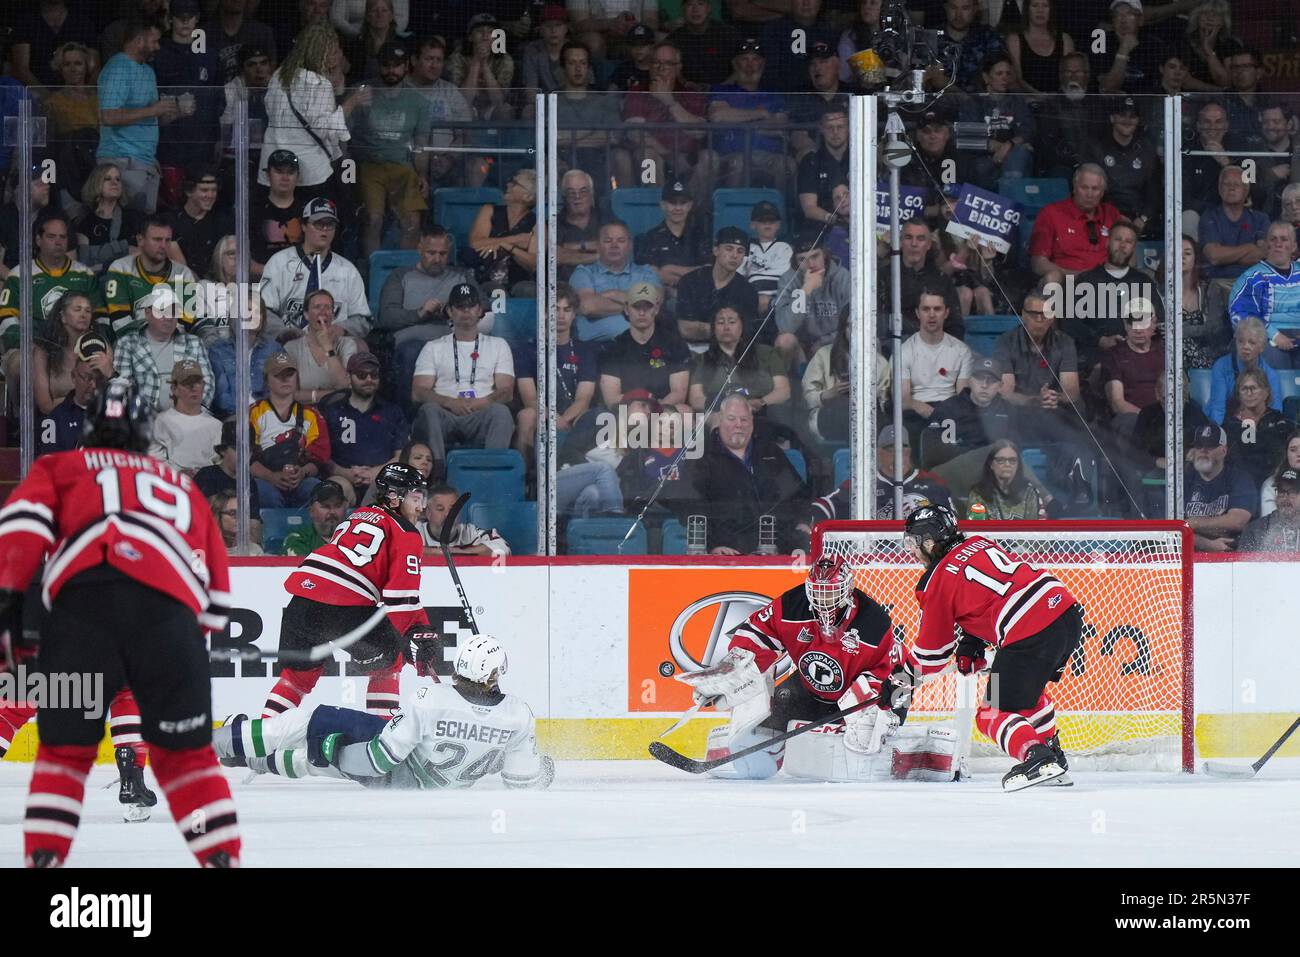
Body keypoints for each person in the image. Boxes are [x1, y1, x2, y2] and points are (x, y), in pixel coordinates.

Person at [0, 379, 239, 867]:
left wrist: (10, 608)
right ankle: (217, 856)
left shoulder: (61, 466)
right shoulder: (178, 483)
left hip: (81, 612)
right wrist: (195, 645)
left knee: (60, 751)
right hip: (167, 615)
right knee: (188, 760)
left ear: (91, 426)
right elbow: (214, 580)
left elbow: (18, 531)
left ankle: (43, 859)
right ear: (144, 431)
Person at [677, 555, 957, 783]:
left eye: (831, 592)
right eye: (819, 593)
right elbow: (755, 639)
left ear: (847, 589)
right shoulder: (791, 605)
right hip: (813, 694)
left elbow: (895, 674)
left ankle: (901, 754)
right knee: (783, 698)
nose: (824, 601)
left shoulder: (873, 621)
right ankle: (768, 751)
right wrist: (726, 676)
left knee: (865, 732)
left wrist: (881, 710)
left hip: (871, 693)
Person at [216, 635, 553, 790]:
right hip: (422, 789)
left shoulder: (431, 698)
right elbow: (521, 782)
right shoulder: (517, 715)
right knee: (311, 764)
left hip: (394, 771)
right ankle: (250, 759)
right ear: (496, 673)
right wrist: (543, 770)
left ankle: (221, 742)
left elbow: (380, 758)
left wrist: (339, 755)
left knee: (306, 722)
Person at [903, 502, 1082, 790]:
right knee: (1027, 697)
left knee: (990, 714)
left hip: (1029, 632)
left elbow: (932, 655)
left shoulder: (933, 582)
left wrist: (897, 684)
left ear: (930, 541)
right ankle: (1053, 757)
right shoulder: (978, 543)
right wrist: (972, 640)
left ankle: (1036, 756)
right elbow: (992, 591)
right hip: (1066, 613)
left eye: (912, 541)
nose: (910, 550)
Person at [259, 462, 431, 720]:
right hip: (343, 604)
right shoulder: (406, 533)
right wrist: (419, 633)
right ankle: (382, 734)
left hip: (302, 600)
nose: (421, 506)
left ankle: (262, 733)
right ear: (394, 498)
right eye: (416, 498)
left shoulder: (357, 515)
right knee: (388, 661)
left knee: (297, 676)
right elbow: (400, 601)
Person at [411, 283, 516, 476]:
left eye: (471, 305)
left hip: (481, 413)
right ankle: (437, 473)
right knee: (429, 410)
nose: (465, 311)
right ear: (450, 311)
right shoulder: (433, 347)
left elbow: (506, 391)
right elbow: (419, 391)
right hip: (446, 413)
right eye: (459, 306)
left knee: (501, 412)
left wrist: (481, 403)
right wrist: (449, 402)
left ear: (479, 310)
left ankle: (491, 475)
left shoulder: (498, 345)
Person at [689, 394, 809, 555]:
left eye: (744, 419)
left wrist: (802, 520)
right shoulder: (703, 457)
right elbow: (694, 508)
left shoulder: (769, 452)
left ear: (752, 423)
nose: (739, 424)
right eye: (732, 419)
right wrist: (713, 546)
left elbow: (795, 493)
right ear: (720, 420)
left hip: (776, 546)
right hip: (728, 549)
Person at [351, 40, 432, 258]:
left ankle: (404, 275)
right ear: (379, 66)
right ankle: (373, 272)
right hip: (370, 166)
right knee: (373, 219)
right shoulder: (362, 93)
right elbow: (343, 134)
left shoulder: (418, 101)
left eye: (396, 65)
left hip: (403, 167)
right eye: (386, 65)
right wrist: (345, 166)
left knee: (412, 222)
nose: (391, 70)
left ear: (406, 66)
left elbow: (421, 143)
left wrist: (422, 173)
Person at [96, 19, 178, 214]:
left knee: (142, 225)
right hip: (121, 160)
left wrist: (171, 112)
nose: (157, 47)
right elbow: (108, 116)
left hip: (146, 162)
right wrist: (153, 110)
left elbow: (150, 117)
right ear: (140, 40)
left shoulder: (148, 71)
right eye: (154, 41)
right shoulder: (117, 69)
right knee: (124, 223)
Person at [261, 198, 372, 338]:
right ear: (303, 226)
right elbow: (263, 312)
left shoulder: (348, 270)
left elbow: (363, 319)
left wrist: (340, 330)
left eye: (330, 224)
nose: (325, 229)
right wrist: (284, 333)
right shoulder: (279, 262)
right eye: (319, 224)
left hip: (335, 344)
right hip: (287, 345)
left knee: (360, 349)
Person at [320, 352, 410, 498]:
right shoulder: (332, 412)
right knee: (335, 490)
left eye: (374, 374)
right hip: (342, 478)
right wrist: (344, 473)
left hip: (383, 478)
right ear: (349, 378)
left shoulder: (392, 412)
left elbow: (402, 455)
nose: (369, 379)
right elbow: (323, 457)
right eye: (361, 375)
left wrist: (376, 472)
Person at [113, 285, 215, 413]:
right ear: (148, 314)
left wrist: (191, 413)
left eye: (173, 312)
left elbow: (207, 383)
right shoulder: (127, 344)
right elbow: (121, 385)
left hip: (188, 418)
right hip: (142, 420)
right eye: (162, 311)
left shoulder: (194, 343)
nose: (169, 317)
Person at [249, 351, 331, 508]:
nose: (285, 379)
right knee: (263, 492)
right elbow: (247, 457)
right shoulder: (254, 412)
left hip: (301, 479)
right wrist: (271, 476)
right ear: (266, 380)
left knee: (316, 489)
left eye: (289, 374)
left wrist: (302, 473)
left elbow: (319, 457)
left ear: (297, 379)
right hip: (265, 478)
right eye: (278, 375)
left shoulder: (312, 415)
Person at [378, 225, 478, 346]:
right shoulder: (400, 276)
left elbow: (484, 308)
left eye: (443, 253)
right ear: (419, 249)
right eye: (431, 253)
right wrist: (420, 313)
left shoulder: (462, 276)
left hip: (454, 341)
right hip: (413, 343)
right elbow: (387, 317)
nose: (437, 259)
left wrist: (453, 310)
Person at [598, 283, 691, 410]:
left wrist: (653, 411)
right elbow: (611, 399)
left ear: (656, 309)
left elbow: (679, 393)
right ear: (626, 309)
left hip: (664, 412)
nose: (642, 312)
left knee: (684, 410)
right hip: (628, 414)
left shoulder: (674, 343)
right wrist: (639, 411)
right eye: (636, 307)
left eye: (648, 306)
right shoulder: (614, 347)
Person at [102, 216, 197, 338]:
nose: (163, 245)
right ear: (140, 240)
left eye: (167, 240)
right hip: (132, 343)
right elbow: (119, 321)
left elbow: (186, 323)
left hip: (173, 344)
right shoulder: (120, 269)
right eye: (157, 240)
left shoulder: (184, 274)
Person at [689, 305, 789, 418]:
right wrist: (725, 406)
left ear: (743, 326)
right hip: (720, 418)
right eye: (721, 323)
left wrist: (761, 402)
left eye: (732, 322)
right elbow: (695, 398)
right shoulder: (705, 359)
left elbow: (783, 390)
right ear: (713, 329)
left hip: (760, 415)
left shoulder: (766, 353)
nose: (726, 327)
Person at [899, 289, 973, 442]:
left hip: (950, 413)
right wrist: (920, 406)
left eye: (937, 309)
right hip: (916, 414)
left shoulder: (961, 351)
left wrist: (942, 412)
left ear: (946, 313)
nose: (931, 314)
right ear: (917, 313)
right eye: (926, 309)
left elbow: (962, 396)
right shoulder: (903, 351)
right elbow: (903, 400)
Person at [1028, 164, 1122, 282]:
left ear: (1102, 193)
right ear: (1074, 188)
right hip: (1068, 282)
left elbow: (1129, 254)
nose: (1089, 194)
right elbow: (1038, 263)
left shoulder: (1111, 213)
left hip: (1109, 284)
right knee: (1052, 278)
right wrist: (1078, 277)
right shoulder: (1051, 213)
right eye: (1084, 187)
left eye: (1095, 189)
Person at [1081, 97, 1161, 234]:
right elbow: (1091, 190)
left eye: (1132, 116)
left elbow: (1154, 191)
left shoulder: (1147, 150)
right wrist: (1114, 217)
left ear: (1138, 121)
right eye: (1122, 115)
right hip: (1103, 215)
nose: (1127, 120)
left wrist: (1143, 218)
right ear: (1112, 118)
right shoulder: (1096, 147)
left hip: (1139, 218)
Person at [571, 220, 660, 342]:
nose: (614, 245)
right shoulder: (583, 273)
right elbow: (588, 307)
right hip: (597, 348)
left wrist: (614, 294)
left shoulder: (647, 272)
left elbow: (656, 303)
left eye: (621, 241)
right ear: (598, 245)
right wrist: (638, 304)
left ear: (630, 245)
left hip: (641, 347)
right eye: (608, 241)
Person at [773, 229, 852, 365]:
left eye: (815, 256)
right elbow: (785, 327)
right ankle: (787, 384)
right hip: (801, 350)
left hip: (834, 344)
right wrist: (805, 290)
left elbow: (854, 323)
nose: (810, 264)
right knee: (784, 341)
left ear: (825, 255)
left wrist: (823, 343)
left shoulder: (842, 277)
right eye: (802, 259)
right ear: (795, 261)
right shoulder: (788, 280)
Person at [1228, 221, 1300, 369]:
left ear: (1294, 246)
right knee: (1271, 361)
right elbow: (1240, 314)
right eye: (1273, 239)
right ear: (1267, 245)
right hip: (1267, 338)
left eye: (1284, 239)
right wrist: (1274, 335)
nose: (1278, 244)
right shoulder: (1251, 277)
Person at [674, 227, 761, 346]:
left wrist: (702, 328)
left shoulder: (747, 290)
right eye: (729, 249)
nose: (734, 255)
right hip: (691, 349)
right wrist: (726, 330)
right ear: (716, 250)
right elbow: (685, 328)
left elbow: (744, 334)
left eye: (740, 251)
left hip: (728, 351)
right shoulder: (690, 281)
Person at [1185, 424, 1256, 552]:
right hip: (1188, 555)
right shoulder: (1184, 480)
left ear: (1223, 451)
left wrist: (1193, 523)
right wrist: (1206, 544)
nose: (1203, 450)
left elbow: (1237, 521)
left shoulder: (1239, 478)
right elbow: (1172, 530)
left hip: (1231, 556)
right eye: (1199, 445)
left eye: (1210, 446)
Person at [467, 170, 538, 298]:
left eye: (515, 183)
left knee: (530, 290)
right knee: (495, 291)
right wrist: (515, 240)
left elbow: (532, 263)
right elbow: (475, 243)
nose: (508, 185)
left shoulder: (536, 223)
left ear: (528, 197)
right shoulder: (489, 210)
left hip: (519, 281)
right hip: (486, 278)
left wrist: (507, 246)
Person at [633, 179, 712, 294]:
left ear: (690, 206)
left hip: (696, 297)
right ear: (663, 205)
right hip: (662, 299)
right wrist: (692, 273)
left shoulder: (700, 236)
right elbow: (652, 276)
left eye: (683, 203)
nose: (678, 208)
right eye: (672, 203)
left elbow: (708, 273)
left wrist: (669, 269)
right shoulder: (650, 238)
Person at [1101, 301, 1164, 442]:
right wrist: (1148, 419)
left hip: (1164, 419)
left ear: (1154, 323)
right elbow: (1117, 403)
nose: (1138, 329)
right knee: (1128, 424)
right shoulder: (1114, 355)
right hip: (1132, 420)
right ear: (1124, 324)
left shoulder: (1165, 353)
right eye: (1132, 322)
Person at [147, 359, 224, 473]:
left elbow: (221, 464)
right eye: (186, 382)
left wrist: (202, 475)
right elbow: (154, 460)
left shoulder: (216, 425)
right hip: (173, 484)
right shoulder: (162, 421)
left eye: (197, 381)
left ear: (203, 385)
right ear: (174, 389)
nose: (193, 387)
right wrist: (178, 473)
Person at [284, 288, 360, 403]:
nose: (323, 312)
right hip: (304, 414)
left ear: (333, 315)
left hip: (338, 412)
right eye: (317, 307)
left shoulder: (347, 344)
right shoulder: (291, 348)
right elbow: (290, 394)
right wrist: (331, 394)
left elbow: (344, 385)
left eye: (328, 307)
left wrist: (328, 347)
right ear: (306, 314)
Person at [1205, 317, 1283, 425]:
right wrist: (1219, 436)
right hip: (1223, 422)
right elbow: (1217, 409)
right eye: (1241, 341)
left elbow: (1275, 412)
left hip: (1257, 426)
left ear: (1262, 347)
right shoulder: (1221, 366)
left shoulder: (1271, 376)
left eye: (1252, 342)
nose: (1245, 346)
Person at [1222, 369, 1293, 487]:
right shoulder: (1230, 425)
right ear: (1238, 394)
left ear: (1266, 392)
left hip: (1275, 482)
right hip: (1241, 485)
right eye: (1244, 389)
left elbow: (1283, 458)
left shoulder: (1279, 421)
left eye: (1253, 388)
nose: (1249, 393)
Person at [1199, 165, 1269, 285]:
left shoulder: (1260, 219)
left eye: (1236, 185)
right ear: (1220, 189)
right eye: (1227, 184)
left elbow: (1262, 255)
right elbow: (1214, 256)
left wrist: (1226, 257)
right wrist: (1249, 248)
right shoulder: (1210, 217)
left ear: (1246, 190)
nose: (1231, 188)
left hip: (1253, 281)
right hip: (1218, 282)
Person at [75, 164, 144, 277]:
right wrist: (125, 248)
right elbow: (85, 263)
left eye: (118, 179)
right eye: (107, 179)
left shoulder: (134, 218)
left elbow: (141, 255)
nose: (114, 182)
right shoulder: (85, 221)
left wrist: (99, 256)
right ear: (96, 183)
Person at [797, 102, 851, 229]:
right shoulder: (810, 161)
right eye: (829, 127)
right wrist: (836, 221)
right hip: (821, 227)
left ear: (849, 128)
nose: (835, 132)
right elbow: (809, 208)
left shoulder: (861, 159)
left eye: (840, 127)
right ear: (821, 129)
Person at [420, 483, 510, 557]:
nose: (448, 514)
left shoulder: (470, 532)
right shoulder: (416, 532)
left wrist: (443, 553)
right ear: (428, 513)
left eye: (453, 509)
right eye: (440, 509)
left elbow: (503, 549)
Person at [965, 440, 1047, 520]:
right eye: (1001, 460)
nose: (1007, 464)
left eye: (1012, 460)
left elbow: (1036, 530)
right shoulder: (978, 493)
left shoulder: (1030, 492)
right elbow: (976, 529)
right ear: (991, 464)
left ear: (1018, 465)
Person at [737, 200, 792, 316]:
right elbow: (738, 277)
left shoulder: (786, 247)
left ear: (778, 225)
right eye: (762, 221)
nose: (767, 224)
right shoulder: (746, 247)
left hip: (780, 298)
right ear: (753, 224)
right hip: (752, 298)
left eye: (771, 221)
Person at [1237, 468, 1300, 554]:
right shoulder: (1256, 529)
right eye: (1281, 491)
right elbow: (1243, 565)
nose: (1285, 498)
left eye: (1292, 492)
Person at [282, 480, 350, 556]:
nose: (332, 512)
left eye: (338, 506)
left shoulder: (357, 538)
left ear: (345, 508)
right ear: (311, 511)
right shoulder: (298, 538)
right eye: (325, 506)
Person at [1260, 434, 1300, 517]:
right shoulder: (1271, 484)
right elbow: (1268, 521)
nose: (1299, 454)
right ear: (1286, 454)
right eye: (1293, 450)